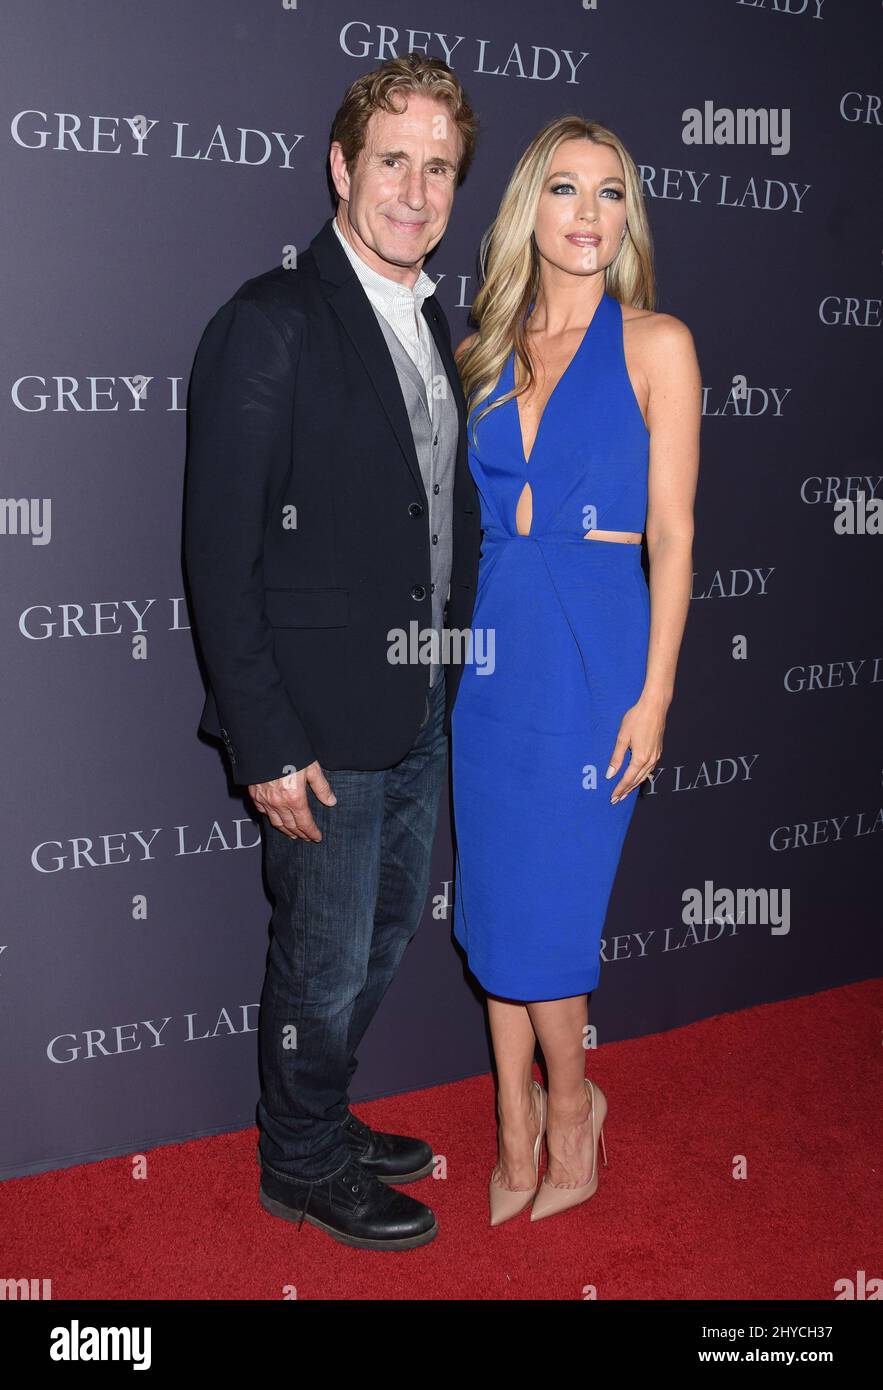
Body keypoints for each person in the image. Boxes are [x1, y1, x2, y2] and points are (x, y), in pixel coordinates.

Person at [183, 55, 481, 1250]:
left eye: (440, 168)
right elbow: (220, 555)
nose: (414, 190)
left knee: (382, 934)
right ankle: (297, 1163)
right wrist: (266, 738)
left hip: (415, 703)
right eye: (393, 161)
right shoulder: (270, 320)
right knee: (319, 958)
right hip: (313, 725)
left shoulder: (428, 315)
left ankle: (324, 1112)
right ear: (342, 166)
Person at [452, 116, 700, 1224]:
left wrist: (654, 696)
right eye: (564, 188)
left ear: (625, 218)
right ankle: (510, 1116)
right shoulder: (484, 351)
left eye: (610, 192)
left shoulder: (656, 343)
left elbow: (675, 536)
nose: (589, 213)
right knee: (500, 907)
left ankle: (570, 1109)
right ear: (529, 213)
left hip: (596, 658)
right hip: (497, 665)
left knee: (551, 914)